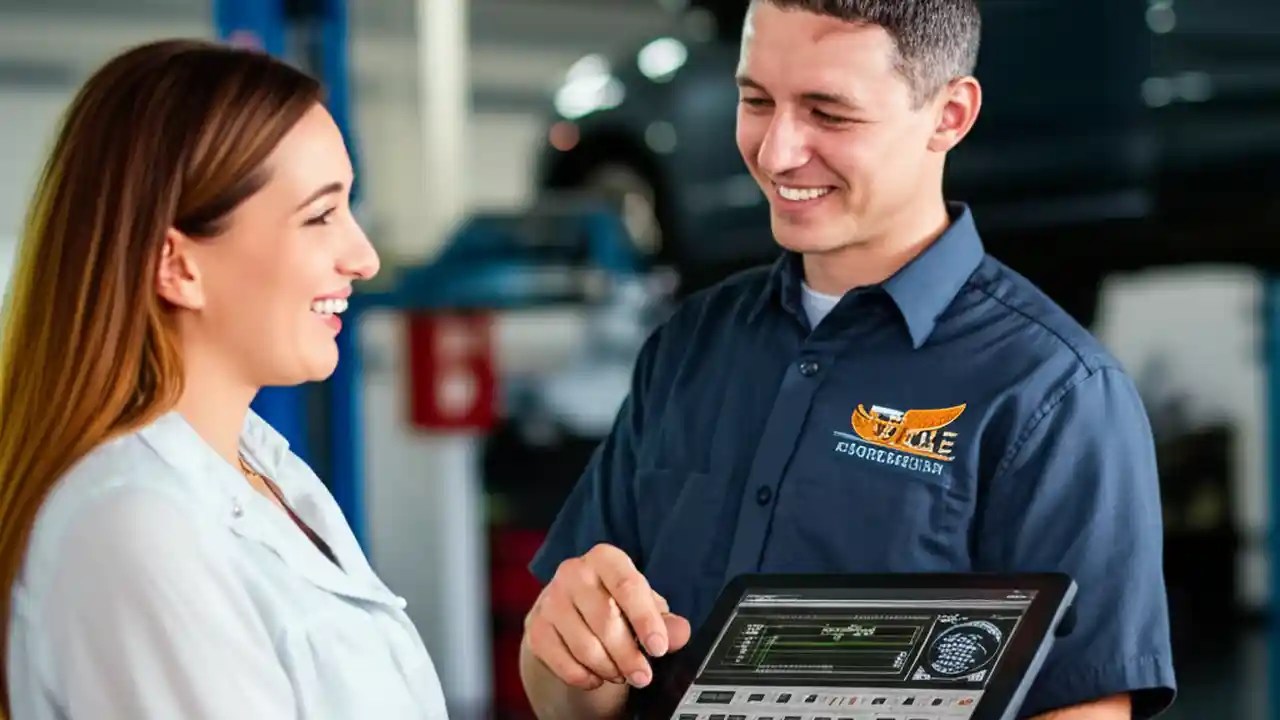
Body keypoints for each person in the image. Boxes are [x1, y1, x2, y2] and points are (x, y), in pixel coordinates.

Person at [520, 1, 1177, 718]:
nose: (775, 152)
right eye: (755, 101)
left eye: (828, 114)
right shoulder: (690, 347)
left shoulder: (1053, 394)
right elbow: (569, 695)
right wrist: (571, 647)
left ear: (948, 115)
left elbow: (1086, 705)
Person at [0, 39, 448, 719]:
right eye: (320, 215)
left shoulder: (257, 475)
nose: (363, 256)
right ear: (177, 265)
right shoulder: (136, 528)